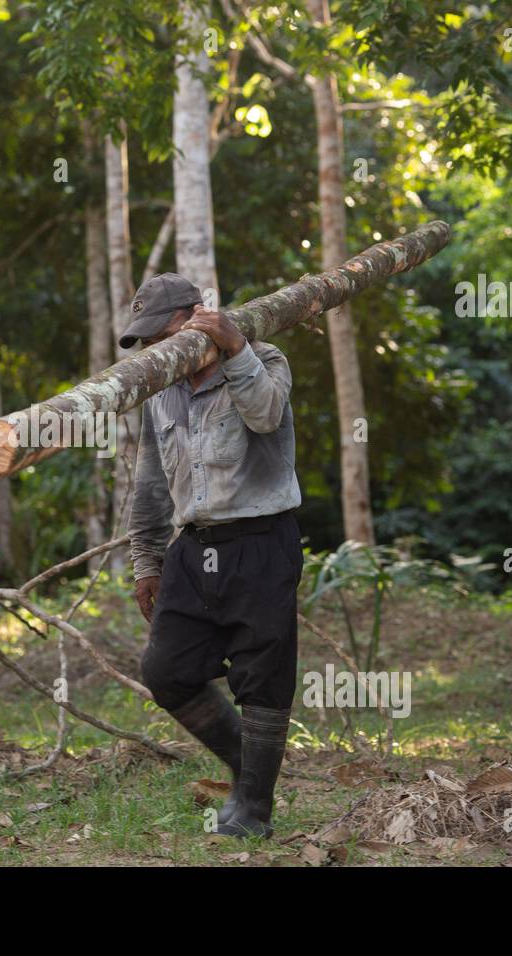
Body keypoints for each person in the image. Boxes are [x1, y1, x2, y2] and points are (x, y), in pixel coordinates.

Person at [123, 272, 303, 838]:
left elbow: (266, 415)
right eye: (145, 340)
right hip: (192, 549)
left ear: (196, 318)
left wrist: (234, 347)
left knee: (262, 678)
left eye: (162, 334)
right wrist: (147, 561)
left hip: (261, 543)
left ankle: (254, 809)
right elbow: (151, 480)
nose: (155, 349)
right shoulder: (161, 389)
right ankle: (245, 770)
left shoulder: (263, 358)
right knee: (166, 671)